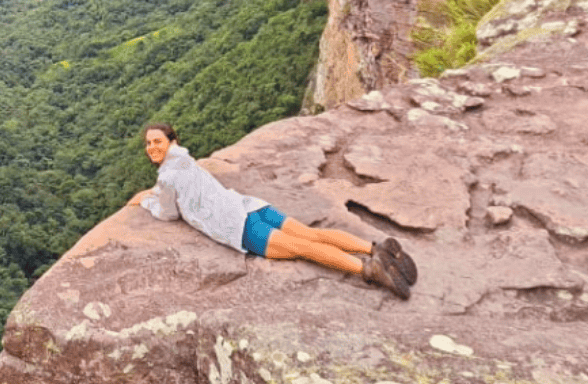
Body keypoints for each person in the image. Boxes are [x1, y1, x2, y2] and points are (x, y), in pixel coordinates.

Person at [127, 123, 417, 298]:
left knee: (301, 247)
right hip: (251, 205)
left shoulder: (166, 177)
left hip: (237, 225)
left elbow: (168, 213)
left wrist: (147, 200)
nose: (151, 147)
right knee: (309, 234)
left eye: (157, 142)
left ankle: (369, 269)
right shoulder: (185, 159)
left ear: (171, 143)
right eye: (149, 143)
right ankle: (375, 249)